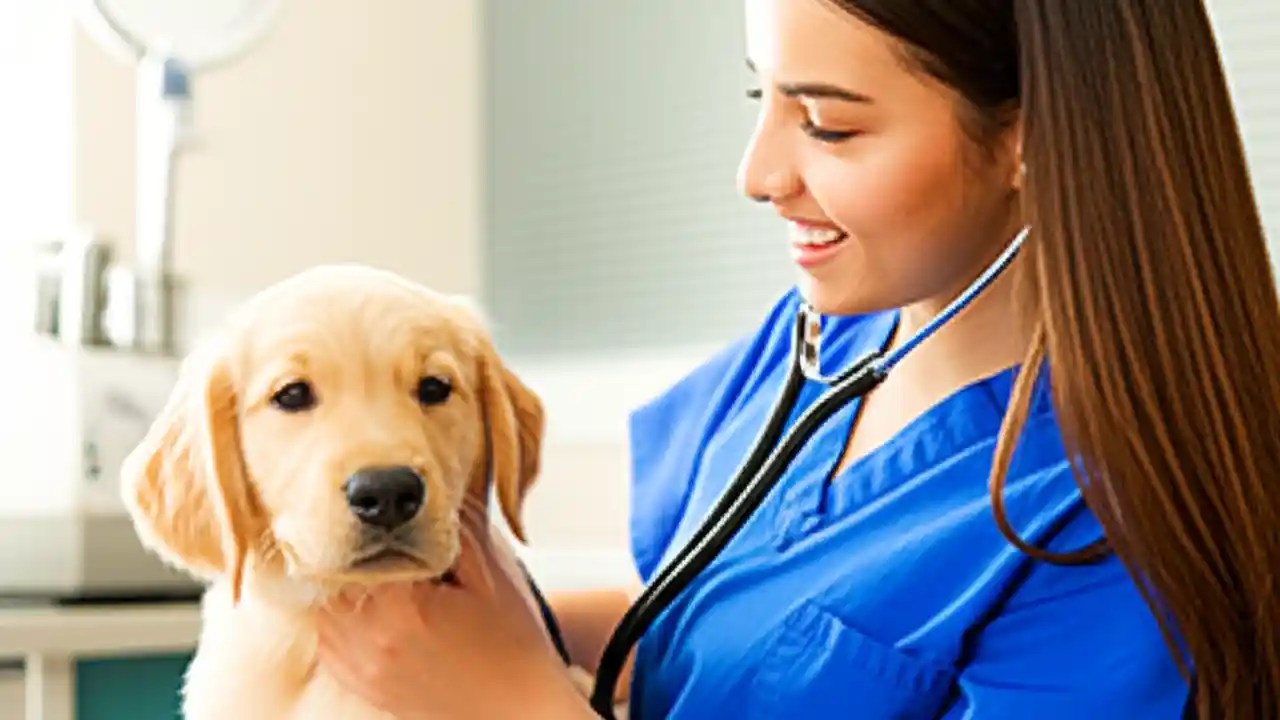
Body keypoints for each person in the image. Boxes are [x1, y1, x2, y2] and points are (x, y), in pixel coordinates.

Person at [313, 1, 1280, 718]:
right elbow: (728, 635)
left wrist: (512, 700)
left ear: (1029, 141)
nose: (757, 174)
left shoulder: (1108, 530)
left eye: (828, 124)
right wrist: (474, 624)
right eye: (760, 97)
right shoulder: (810, 351)